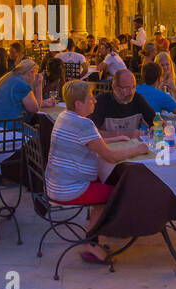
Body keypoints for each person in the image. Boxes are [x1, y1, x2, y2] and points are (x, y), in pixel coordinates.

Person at [45, 79, 151, 265]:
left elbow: (92, 142)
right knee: (118, 193)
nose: (94, 101)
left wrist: (117, 137)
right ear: (79, 104)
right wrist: (137, 150)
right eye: (90, 99)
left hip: (56, 183)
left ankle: (93, 239)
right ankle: (94, 244)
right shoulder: (84, 124)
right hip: (70, 188)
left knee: (106, 187)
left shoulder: (65, 116)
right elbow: (110, 157)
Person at [91, 70, 155, 137]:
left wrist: (154, 128)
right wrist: (125, 135)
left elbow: (156, 121)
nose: (131, 93)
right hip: (110, 145)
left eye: (133, 87)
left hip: (132, 146)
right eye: (126, 88)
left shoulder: (138, 99)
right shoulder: (101, 102)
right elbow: (91, 133)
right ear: (114, 87)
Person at [0, 57, 41, 123]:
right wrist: (38, 86)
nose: (34, 78)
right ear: (30, 73)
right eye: (35, 74)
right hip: (2, 127)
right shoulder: (21, 84)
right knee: (37, 131)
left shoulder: (12, 78)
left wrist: (43, 103)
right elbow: (35, 109)